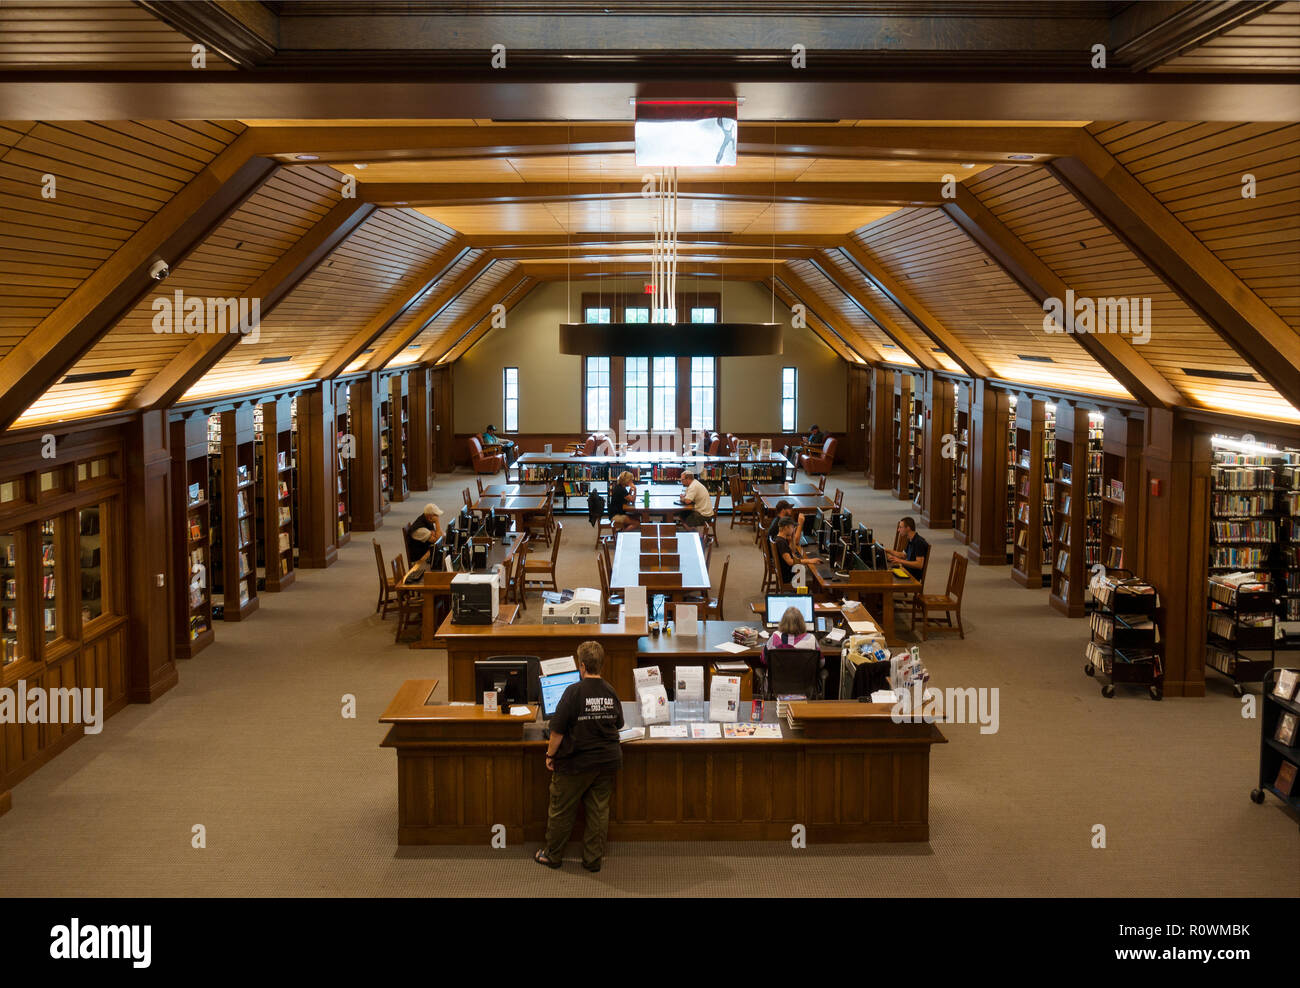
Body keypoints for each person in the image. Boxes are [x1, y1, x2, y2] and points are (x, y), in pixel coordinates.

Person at [536, 641, 625, 873]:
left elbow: (556, 731)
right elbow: (619, 723)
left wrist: (549, 755)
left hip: (576, 762)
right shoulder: (610, 691)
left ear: (582, 666)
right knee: (598, 810)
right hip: (606, 761)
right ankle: (593, 859)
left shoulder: (573, 692)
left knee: (561, 809)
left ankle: (552, 856)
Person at [773, 516, 820, 586]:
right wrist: (809, 561)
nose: (793, 529)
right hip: (788, 576)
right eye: (792, 527)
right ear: (786, 527)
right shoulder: (781, 542)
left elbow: (792, 550)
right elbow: (790, 562)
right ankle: (807, 592)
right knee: (814, 572)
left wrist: (793, 535)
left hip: (788, 571)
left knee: (808, 566)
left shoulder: (780, 538)